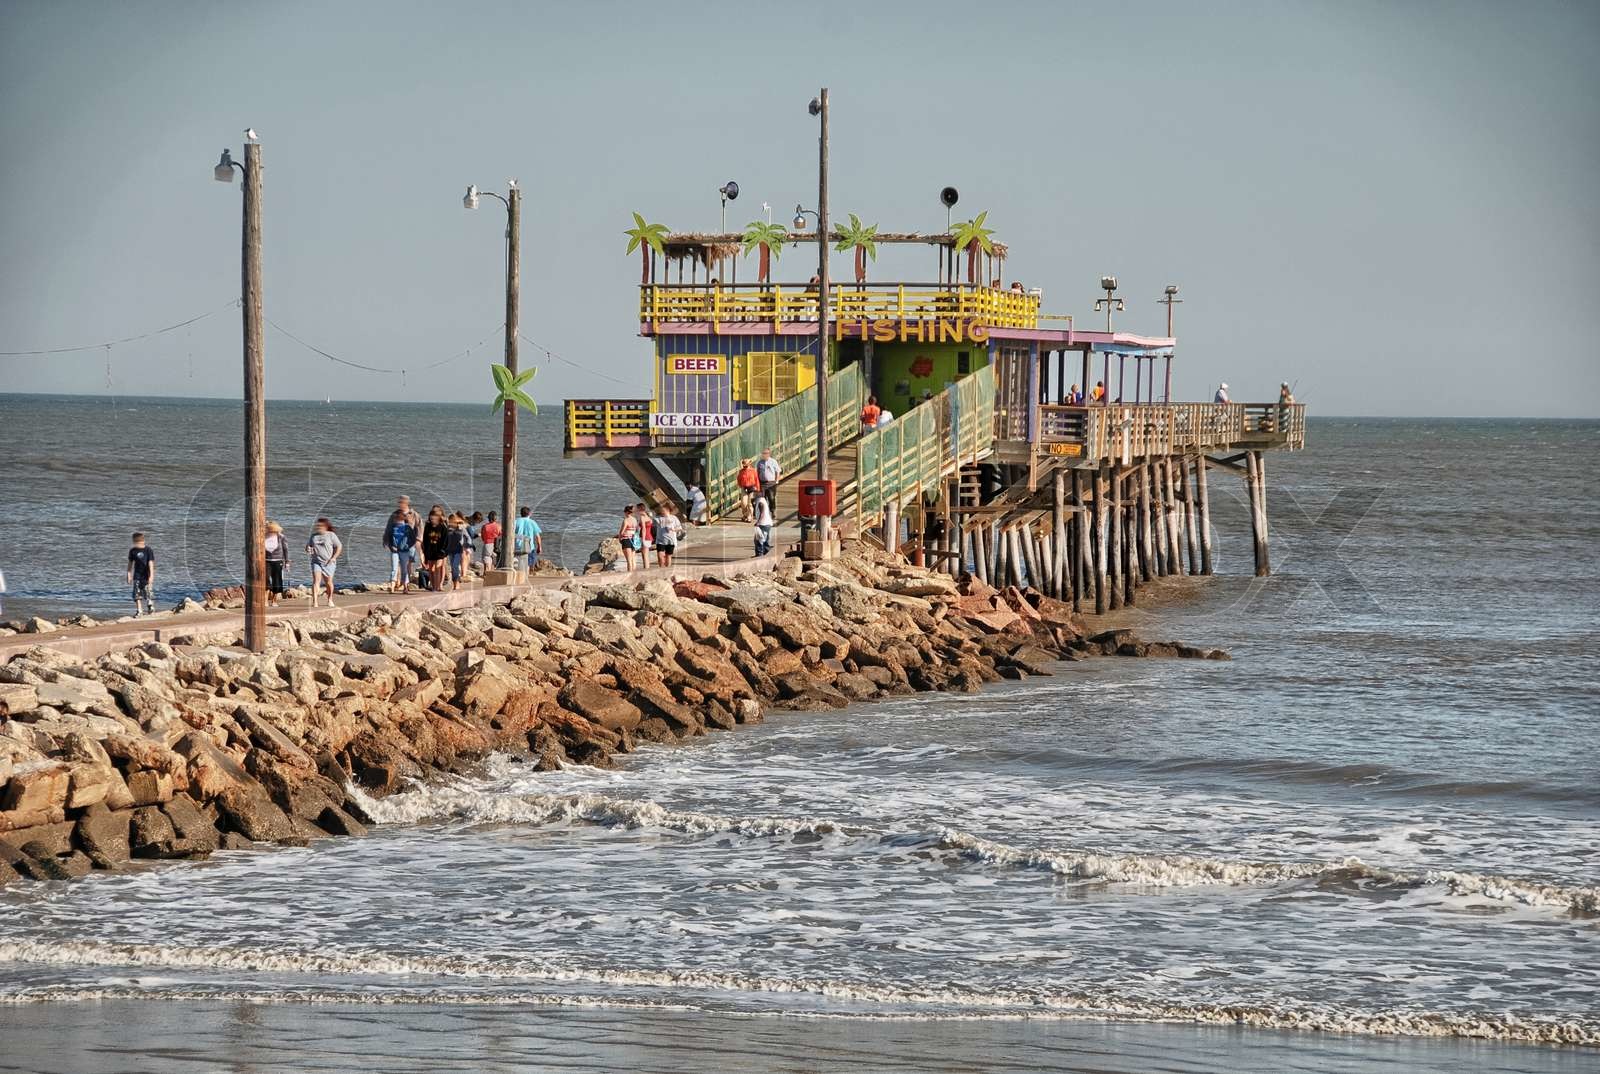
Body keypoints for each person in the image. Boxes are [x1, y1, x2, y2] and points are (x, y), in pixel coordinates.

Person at [305, 518, 341, 608]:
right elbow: (308, 546)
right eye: (317, 525)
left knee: (328, 582)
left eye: (320, 526)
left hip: (328, 562)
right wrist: (308, 548)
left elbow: (339, 546)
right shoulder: (314, 536)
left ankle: (330, 599)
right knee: (316, 581)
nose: (318, 527)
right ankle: (315, 601)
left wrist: (333, 558)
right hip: (316, 562)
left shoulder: (331, 535)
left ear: (325, 527)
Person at [383, 508, 418, 592]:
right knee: (394, 568)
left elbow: (413, 539)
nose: (394, 520)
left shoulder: (407, 528)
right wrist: (391, 546)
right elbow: (389, 538)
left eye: (396, 518)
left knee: (404, 569)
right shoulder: (392, 528)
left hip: (404, 551)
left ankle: (405, 586)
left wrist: (407, 546)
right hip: (394, 551)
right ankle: (392, 586)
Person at [126, 532, 156, 617]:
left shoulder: (148, 550)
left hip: (146, 574)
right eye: (137, 543)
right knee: (136, 593)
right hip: (137, 575)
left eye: (141, 543)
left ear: (144, 541)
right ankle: (139, 610)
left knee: (148, 591)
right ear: (134, 542)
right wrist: (128, 574)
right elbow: (130, 564)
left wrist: (151, 575)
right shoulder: (133, 551)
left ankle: (150, 605)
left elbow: (151, 563)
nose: (139, 545)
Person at [421, 506, 449, 591]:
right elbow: (425, 539)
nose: (433, 518)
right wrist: (425, 551)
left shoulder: (442, 527)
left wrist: (443, 550)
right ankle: (433, 586)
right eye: (431, 516)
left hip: (440, 551)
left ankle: (437, 586)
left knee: (438, 568)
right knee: (431, 569)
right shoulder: (428, 526)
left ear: (439, 517)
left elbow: (446, 540)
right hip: (430, 551)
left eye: (435, 516)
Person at [264, 521, 291, 606]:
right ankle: (265, 600)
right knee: (265, 579)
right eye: (268, 529)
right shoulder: (263, 536)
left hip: (278, 561)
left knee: (277, 581)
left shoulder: (281, 537)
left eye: (271, 529)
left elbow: (286, 550)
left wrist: (287, 562)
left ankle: (274, 600)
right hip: (266, 560)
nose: (270, 531)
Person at [446, 513, 474, 590]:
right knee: (453, 566)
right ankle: (455, 582)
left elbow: (468, 537)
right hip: (450, 550)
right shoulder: (447, 528)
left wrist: (467, 545)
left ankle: (457, 583)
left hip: (458, 549)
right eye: (451, 521)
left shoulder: (461, 528)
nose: (452, 522)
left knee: (455, 565)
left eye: (453, 521)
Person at [513, 506, 543, 571]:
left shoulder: (515, 521)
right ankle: (526, 575)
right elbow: (537, 536)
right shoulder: (532, 522)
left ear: (521, 513)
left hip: (517, 546)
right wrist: (539, 547)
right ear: (529, 513)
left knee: (517, 564)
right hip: (529, 547)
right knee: (528, 564)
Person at [653, 503, 681, 567]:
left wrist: (673, 529)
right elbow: (652, 524)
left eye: (663, 510)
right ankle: (661, 568)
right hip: (660, 540)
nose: (662, 512)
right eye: (661, 510)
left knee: (668, 556)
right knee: (660, 555)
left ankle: (667, 570)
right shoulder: (657, 518)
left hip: (671, 540)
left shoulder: (674, 518)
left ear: (668, 510)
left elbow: (679, 528)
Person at [617, 504, 640, 571]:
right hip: (633, 539)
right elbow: (637, 530)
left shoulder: (626, 520)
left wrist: (620, 539)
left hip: (626, 540)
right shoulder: (634, 520)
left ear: (626, 512)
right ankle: (634, 573)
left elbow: (622, 532)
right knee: (633, 559)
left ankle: (629, 574)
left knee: (629, 560)